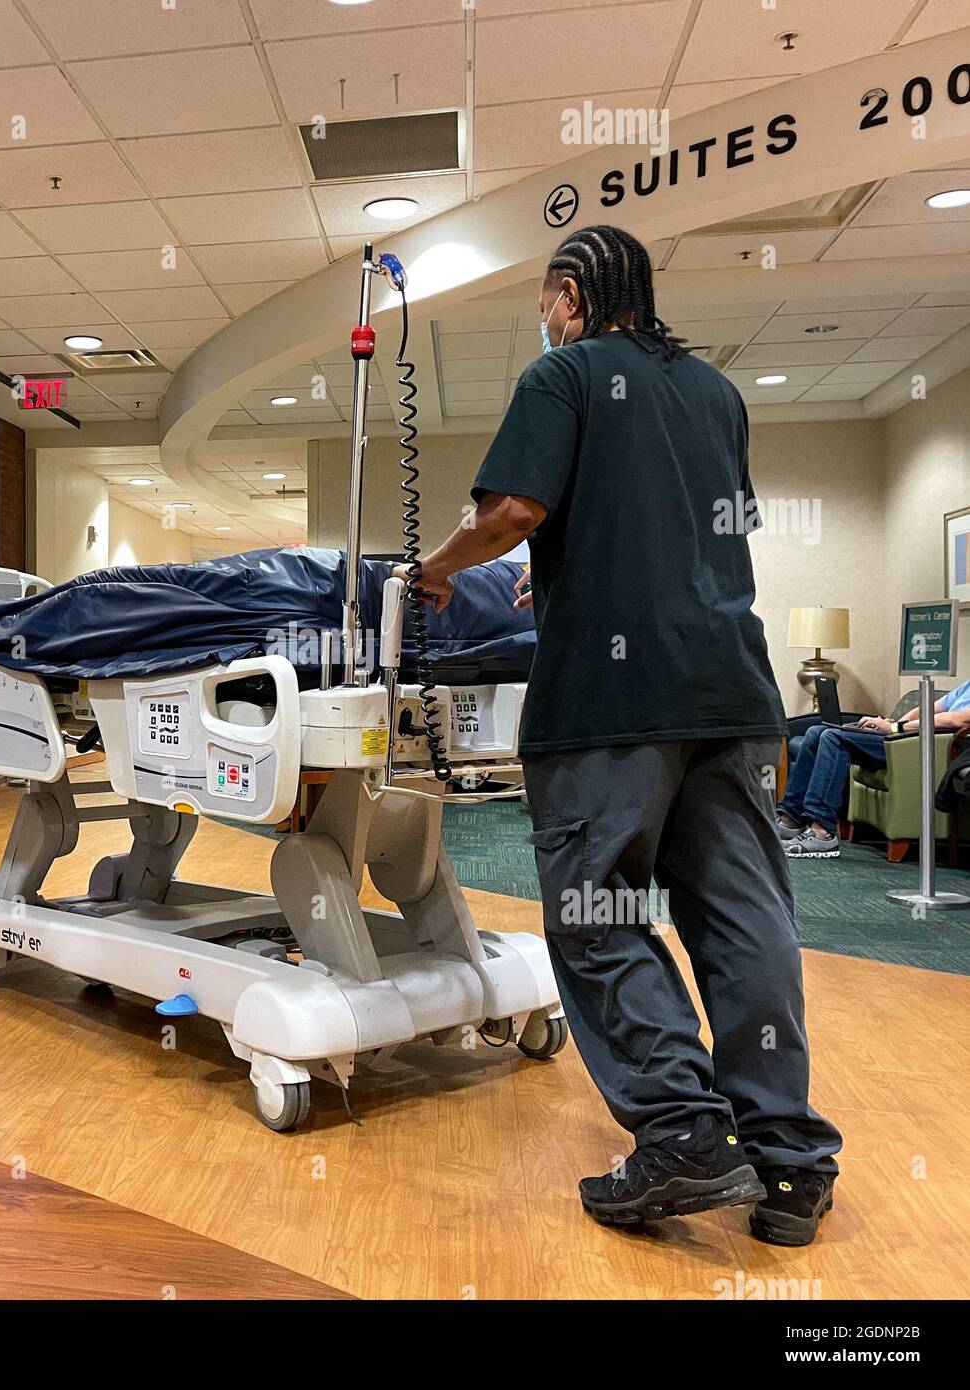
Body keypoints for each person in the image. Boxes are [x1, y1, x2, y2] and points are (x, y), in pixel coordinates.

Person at [397, 224, 841, 1247]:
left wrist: (440, 565)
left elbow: (512, 505)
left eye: (546, 302)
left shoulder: (565, 373)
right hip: (729, 692)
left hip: (612, 706)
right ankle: (789, 1161)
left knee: (599, 913)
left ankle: (683, 1130)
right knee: (742, 922)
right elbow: (690, 529)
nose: (544, 318)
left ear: (566, 293)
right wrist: (556, 565)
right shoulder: (716, 392)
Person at [778, 683, 970, 856]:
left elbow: (957, 720)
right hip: (903, 739)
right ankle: (790, 819)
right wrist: (889, 725)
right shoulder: (966, 686)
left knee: (833, 738)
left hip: (922, 748)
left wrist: (896, 728)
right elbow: (928, 709)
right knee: (815, 733)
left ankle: (822, 833)